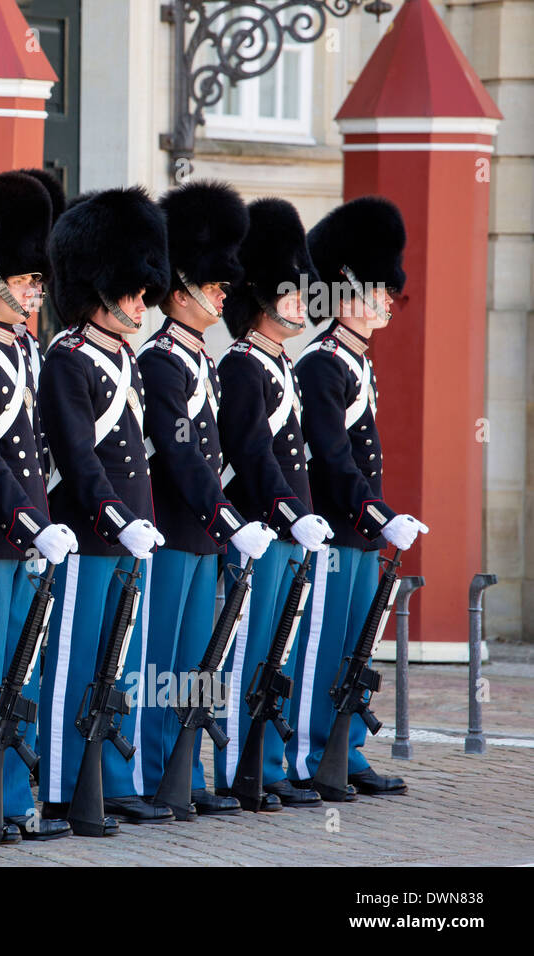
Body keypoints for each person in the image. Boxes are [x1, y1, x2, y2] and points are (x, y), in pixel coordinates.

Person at [136, 180, 276, 820]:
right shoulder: (163, 359)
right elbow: (179, 455)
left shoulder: (200, 358)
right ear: (183, 285)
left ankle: (184, 768)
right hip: (172, 527)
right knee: (162, 658)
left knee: (197, 658)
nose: (224, 297)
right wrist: (226, 517)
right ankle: (157, 767)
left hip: (202, 534)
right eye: (214, 287)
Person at [0, 170, 78, 842]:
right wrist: (29, 524)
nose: (36, 291)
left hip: (33, 536)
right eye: (27, 279)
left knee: (20, 672)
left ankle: (18, 793)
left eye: (39, 280)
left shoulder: (29, 349)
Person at [288, 196, 429, 800]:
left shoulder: (356, 363)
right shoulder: (322, 364)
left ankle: (346, 750)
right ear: (349, 289)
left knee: (356, 647)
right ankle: (310, 753)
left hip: (361, 532)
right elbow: (332, 457)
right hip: (336, 530)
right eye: (380, 293)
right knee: (322, 648)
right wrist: (379, 514)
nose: (388, 305)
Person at [37, 186, 167, 831]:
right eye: (134, 292)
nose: (143, 303)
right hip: (91, 535)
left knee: (122, 664)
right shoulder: (67, 358)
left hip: (130, 535)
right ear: (100, 287)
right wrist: (116, 518)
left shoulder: (125, 357)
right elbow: (80, 458)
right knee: (77, 660)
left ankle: (113, 779)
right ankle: (65, 783)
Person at [213, 198, 333, 810]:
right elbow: (254, 455)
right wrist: (288, 513)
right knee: (249, 657)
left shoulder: (278, 365)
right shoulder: (241, 367)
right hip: (260, 531)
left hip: (288, 532)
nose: (299, 304)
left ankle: (270, 763)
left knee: (275, 654)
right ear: (260, 296)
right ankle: (240, 766)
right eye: (288, 294)